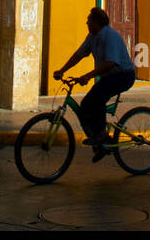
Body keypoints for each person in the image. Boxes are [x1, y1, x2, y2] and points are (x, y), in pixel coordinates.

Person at [53, 8, 136, 162]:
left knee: (97, 98)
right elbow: (79, 54)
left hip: (123, 75)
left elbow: (110, 64)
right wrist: (62, 70)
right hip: (109, 76)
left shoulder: (109, 36)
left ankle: (102, 137)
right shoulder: (92, 36)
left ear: (96, 22)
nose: (86, 22)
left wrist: (87, 76)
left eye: (89, 20)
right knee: (86, 104)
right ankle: (100, 144)